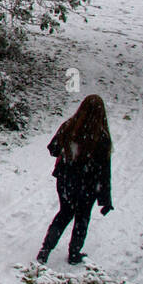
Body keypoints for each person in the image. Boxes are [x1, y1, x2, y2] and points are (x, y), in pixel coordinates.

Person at [38, 94, 113, 265]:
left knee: (64, 214)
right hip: (88, 186)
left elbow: (53, 148)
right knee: (82, 218)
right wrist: (105, 199)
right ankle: (74, 253)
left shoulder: (69, 126)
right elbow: (104, 172)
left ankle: (45, 249)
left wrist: (68, 154)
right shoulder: (101, 137)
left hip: (66, 181)